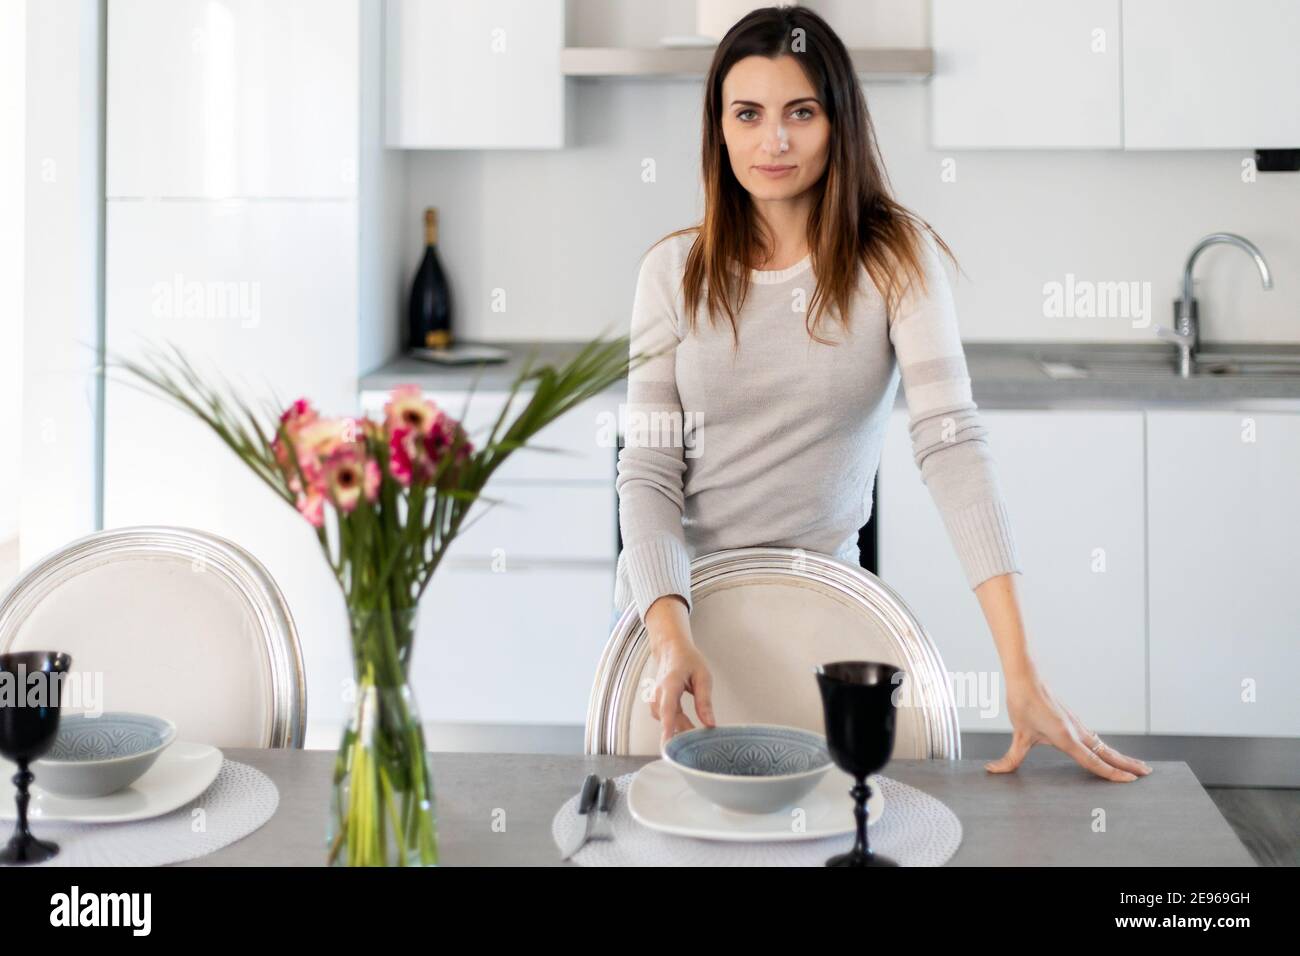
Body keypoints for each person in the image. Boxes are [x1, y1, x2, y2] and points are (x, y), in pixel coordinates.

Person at [612, 5, 1151, 783]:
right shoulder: (671, 273)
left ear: (839, 124)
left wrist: (1020, 668)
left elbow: (951, 443)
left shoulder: (895, 258)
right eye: (749, 114)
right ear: (719, 129)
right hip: (675, 615)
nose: (775, 140)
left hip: (824, 612)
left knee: (835, 822)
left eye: (802, 112)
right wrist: (669, 633)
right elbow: (649, 474)